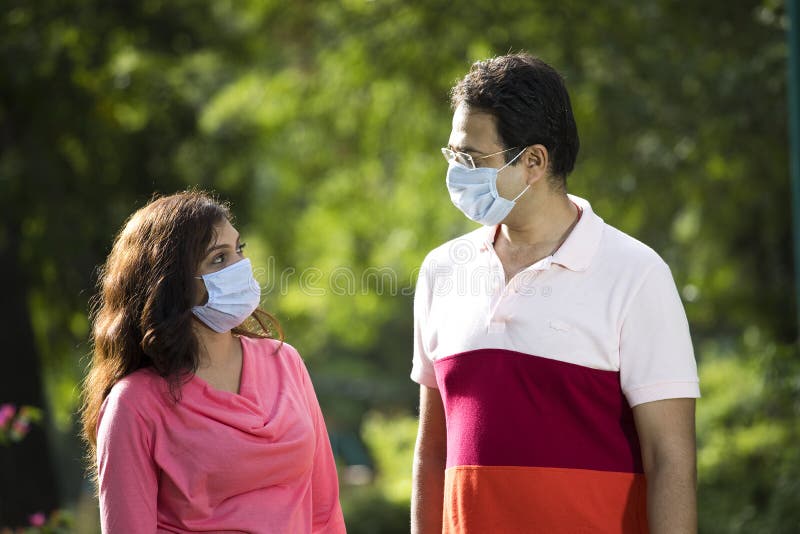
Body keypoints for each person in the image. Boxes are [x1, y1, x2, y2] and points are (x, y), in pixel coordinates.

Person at [411, 54, 700, 534]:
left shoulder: (638, 274)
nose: (456, 173)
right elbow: (432, 451)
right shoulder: (440, 271)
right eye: (452, 155)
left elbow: (669, 460)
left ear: (534, 162)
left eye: (472, 159)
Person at [79, 191, 346, 533]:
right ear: (170, 286)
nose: (240, 266)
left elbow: (324, 513)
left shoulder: (285, 362)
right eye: (218, 259)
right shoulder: (133, 405)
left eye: (239, 250)